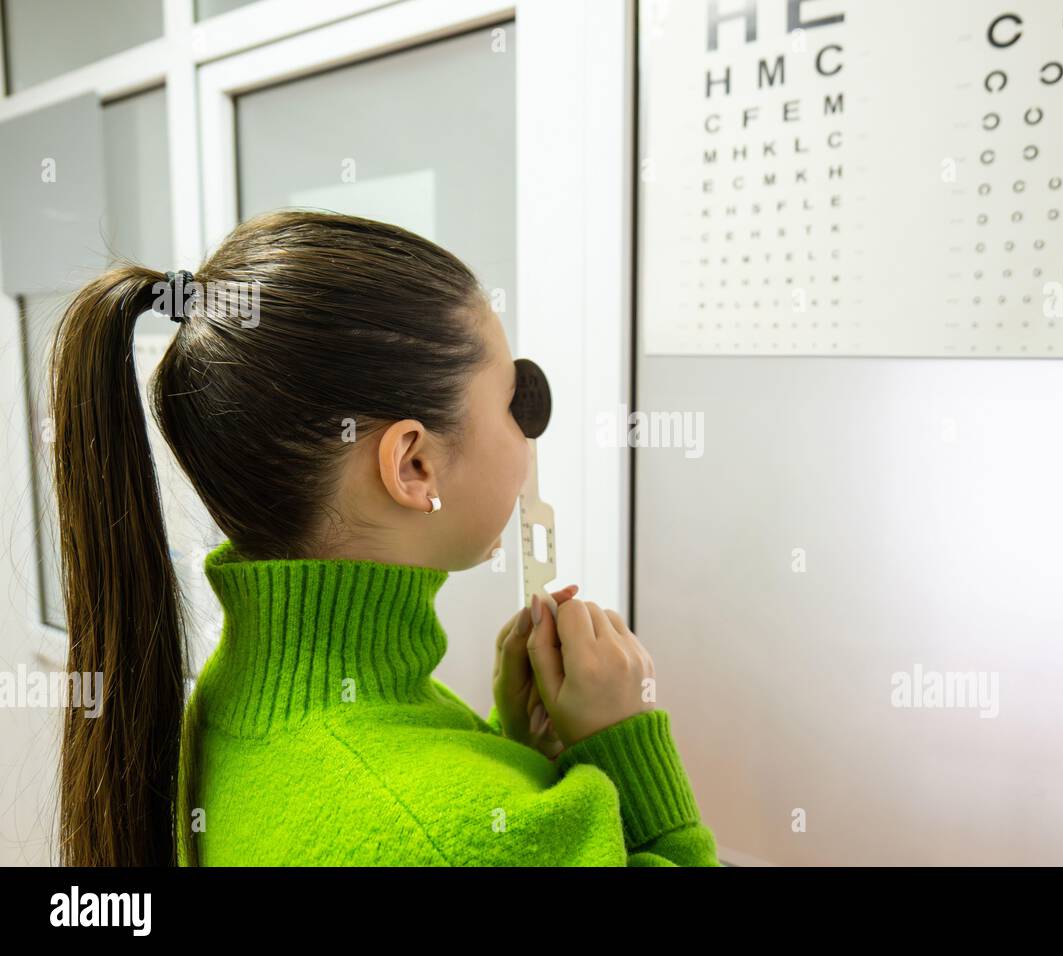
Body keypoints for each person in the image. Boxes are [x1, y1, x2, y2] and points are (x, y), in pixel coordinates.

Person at [48, 208, 721, 866]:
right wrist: (621, 745)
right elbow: (434, 828)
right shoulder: (464, 836)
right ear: (413, 464)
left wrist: (516, 756)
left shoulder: (231, 704)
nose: (528, 435)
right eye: (514, 401)